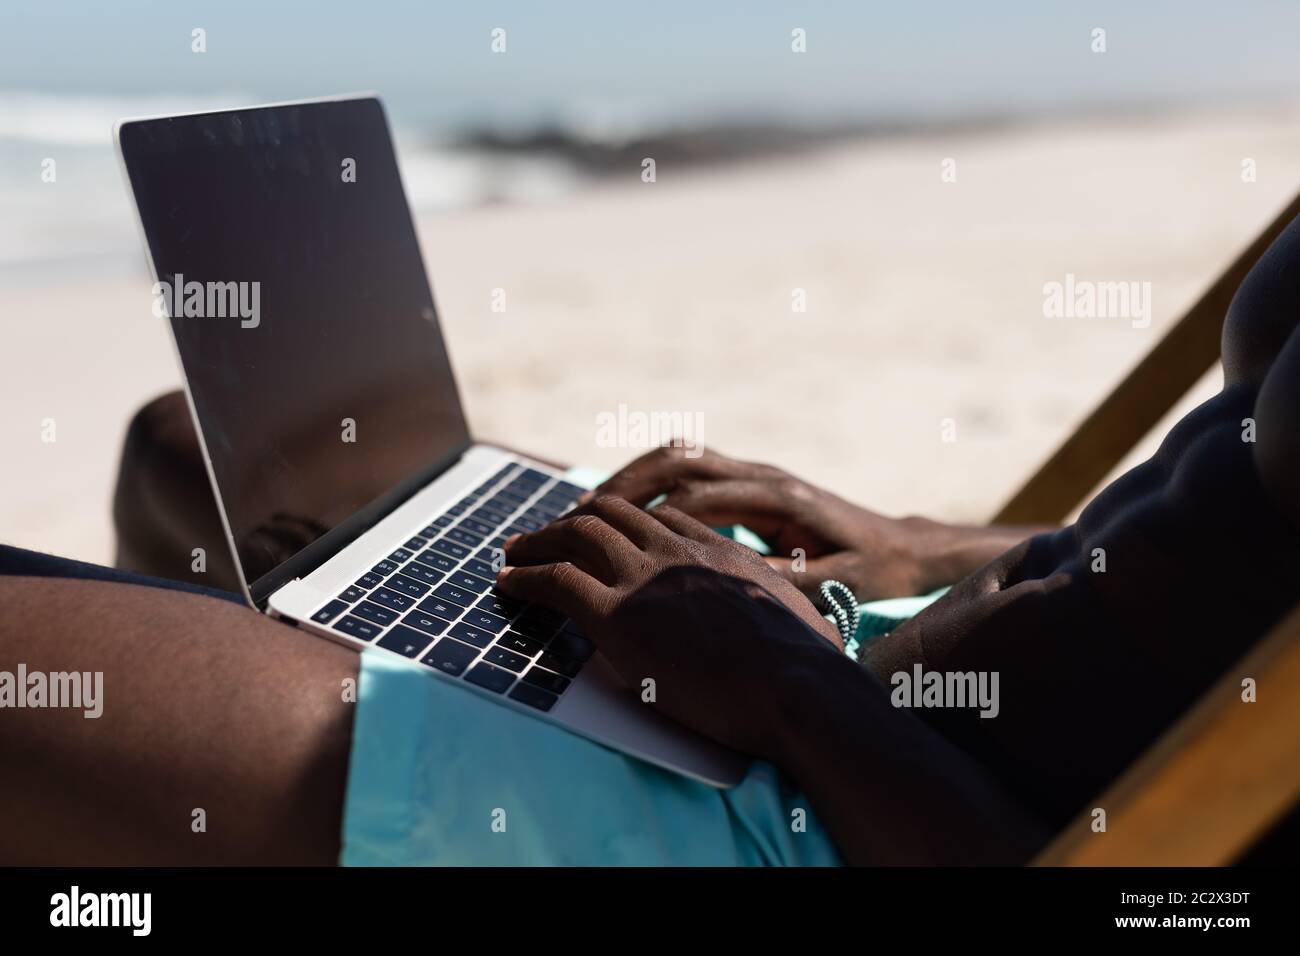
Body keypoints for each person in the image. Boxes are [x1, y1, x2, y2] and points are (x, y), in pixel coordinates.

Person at [4, 217, 1300, 865]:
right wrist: (921, 544)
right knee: (184, 450)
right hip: (848, 670)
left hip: (845, 816)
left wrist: (796, 699)